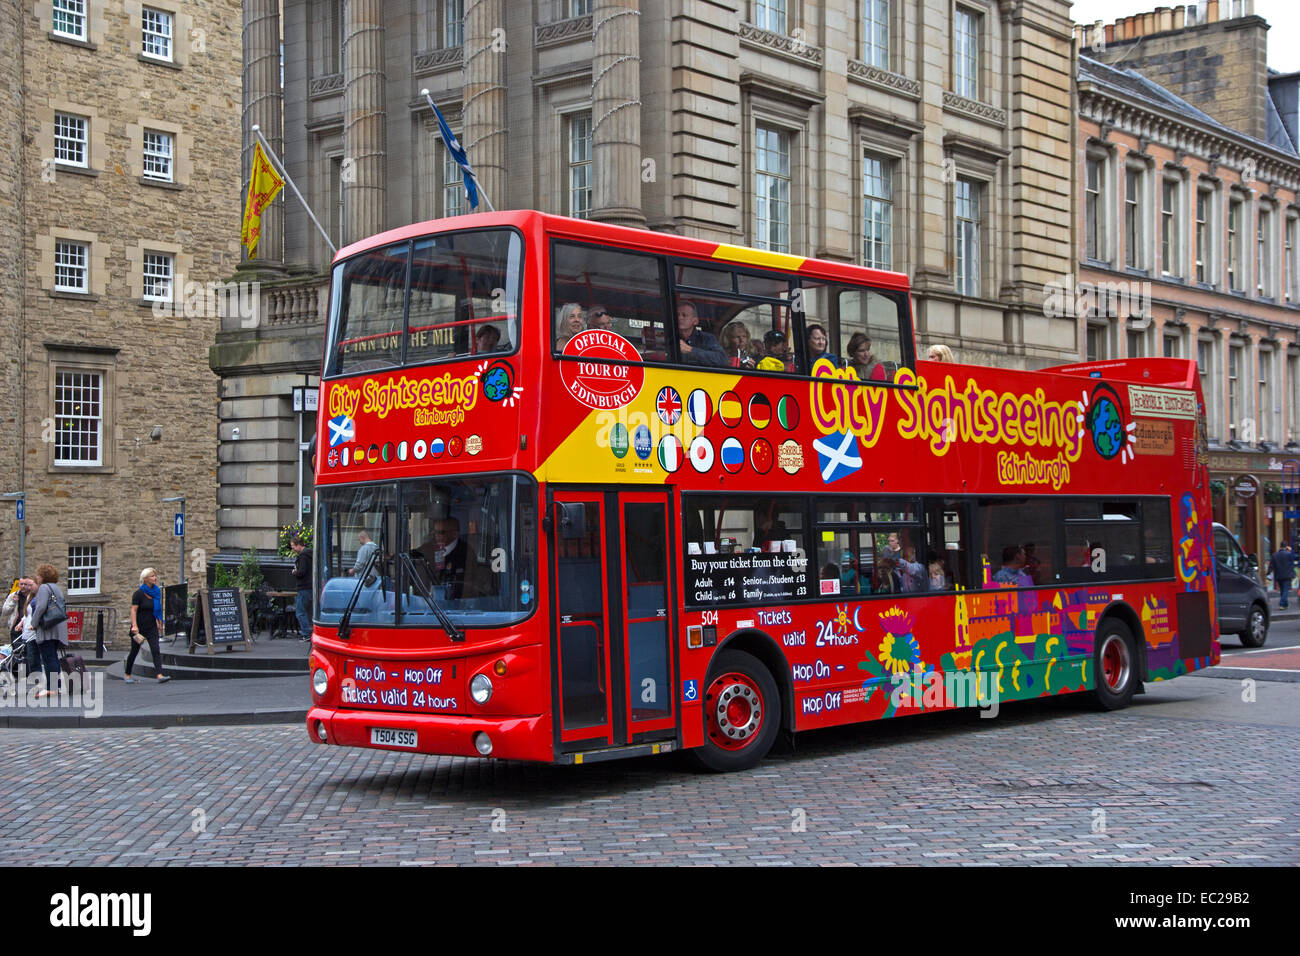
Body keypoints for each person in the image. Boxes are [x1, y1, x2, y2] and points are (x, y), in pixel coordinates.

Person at [28, 563, 69, 698]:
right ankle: (55, 687)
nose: (37, 577)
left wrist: (33, 624)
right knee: (53, 658)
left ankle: (52, 689)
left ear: (43, 576)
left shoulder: (44, 588)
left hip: (47, 628)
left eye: (38, 575)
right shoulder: (56, 588)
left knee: (48, 658)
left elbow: (40, 607)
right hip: (57, 627)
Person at [125, 568, 171, 683]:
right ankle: (127, 674)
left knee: (156, 649)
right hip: (139, 626)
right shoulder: (138, 594)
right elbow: (134, 610)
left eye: (155, 576)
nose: (154, 578)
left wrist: (159, 623)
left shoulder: (156, 592)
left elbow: (157, 610)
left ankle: (159, 675)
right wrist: (134, 626)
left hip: (151, 626)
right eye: (152, 576)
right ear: (145, 579)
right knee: (134, 651)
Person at [675, 301, 727, 367]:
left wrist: (690, 350)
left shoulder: (707, 338)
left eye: (684, 315)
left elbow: (722, 360)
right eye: (677, 315)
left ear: (695, 321)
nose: (679, 318)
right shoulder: (669, 338)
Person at [4, 576, 37, 677]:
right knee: (17, 651)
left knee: (29, 651)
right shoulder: (14, 595)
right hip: (16, 627)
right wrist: (13, 602)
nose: (22, 586)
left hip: (28, 628)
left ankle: (29, 673)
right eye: (21, 584)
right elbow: (4, 611)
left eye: (25, 584)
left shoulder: (32, 596)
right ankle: (17, 673)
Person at [430, 516, 469, 598]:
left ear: (454, 533)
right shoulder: (427, 550)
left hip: (459, 606)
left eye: (441, 532)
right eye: (435, 532)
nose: (436, 536)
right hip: (429, 606)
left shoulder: (467, 553)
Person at [289, 536, 313, 640]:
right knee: (307, 611)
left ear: (299, 545)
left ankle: (306, 634)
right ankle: (309, 633)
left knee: (300, 612)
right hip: (310, 586)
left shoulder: (303, 556)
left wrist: (295, 572)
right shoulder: (309, 554)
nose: (292, 549)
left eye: (293, 547)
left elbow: (302, 571)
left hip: (304, 587)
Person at [1269, 541, 1295, 609]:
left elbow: (1271, 565)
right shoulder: (1289, 554)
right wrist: (1291, 550)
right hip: (1287, 575)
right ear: (1286, 546)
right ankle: (1281, 603)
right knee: (1285, 590)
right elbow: (1294, 560)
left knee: (1283, 590)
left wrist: (1268, 573)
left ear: (1280, 546)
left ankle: (1285, 605)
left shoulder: (1274, 555)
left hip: (1278, 575)